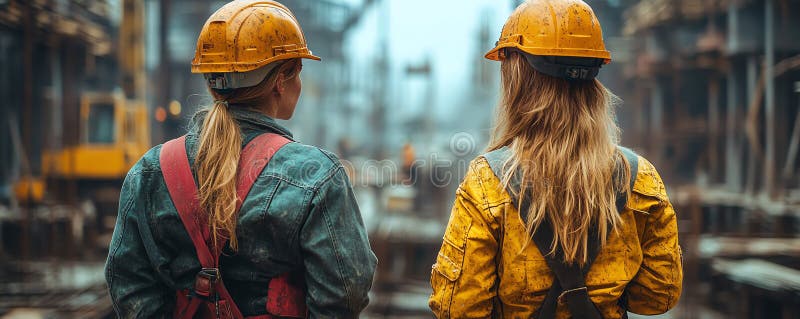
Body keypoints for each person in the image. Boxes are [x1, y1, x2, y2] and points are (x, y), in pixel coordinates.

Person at [105, 1, 377, 318]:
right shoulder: (317, 175)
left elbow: (127, 283)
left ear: (211, 82)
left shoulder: (150, 172)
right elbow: (346, 292)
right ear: (281, 80)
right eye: (297, 70)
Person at [429, 0, 682, 318]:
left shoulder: (489, 181)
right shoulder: (639, 177)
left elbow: (459, 308)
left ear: (517, 78)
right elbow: (658, 297)